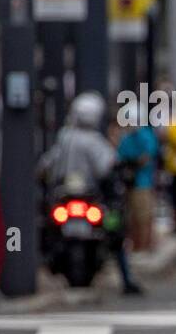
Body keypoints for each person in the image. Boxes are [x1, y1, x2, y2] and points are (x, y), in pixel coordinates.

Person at [37, 91, 144, 295]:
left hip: (71, 195)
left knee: (112, 226)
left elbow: (47, 164)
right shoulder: (92, 140)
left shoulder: (65, 137)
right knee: (115, 229)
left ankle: (126, 276)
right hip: (79, 195)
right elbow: (108, 166)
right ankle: (126, 277)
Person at [116, 111, 159, 253]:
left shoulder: (145, 135)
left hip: (142, 183)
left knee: (143, 216)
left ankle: (144, 246)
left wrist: (133, 163)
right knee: (131, 217)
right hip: (129, 183)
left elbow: (147, 157)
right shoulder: (127, 137)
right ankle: (136, 246)